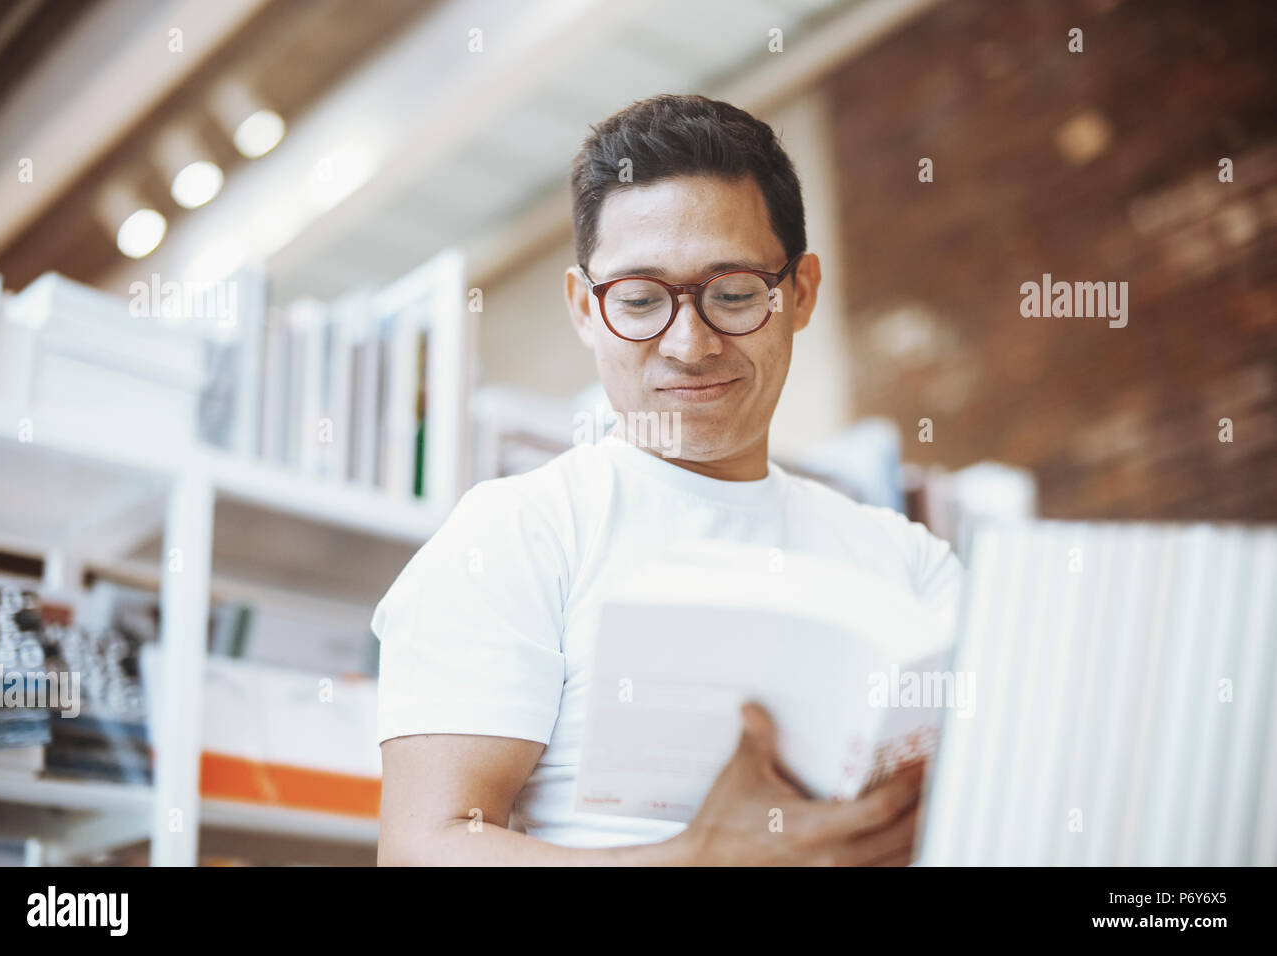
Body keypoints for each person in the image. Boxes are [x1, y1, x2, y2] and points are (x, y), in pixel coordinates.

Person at [374, 93, 962, 865]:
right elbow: (422, 850)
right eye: (642, 300)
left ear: (802, 293)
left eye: (734, 293)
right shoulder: (517, 533)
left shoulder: (911, 561)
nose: (689, 344)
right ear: (585, 309)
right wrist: (701, 860)